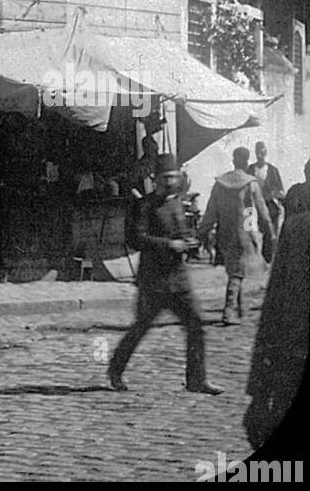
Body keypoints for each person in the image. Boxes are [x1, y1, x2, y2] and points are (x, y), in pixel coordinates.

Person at [108, 155, 222, 395]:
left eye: (174, 176)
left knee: (196, 325)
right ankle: (115, 370)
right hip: (153, 281)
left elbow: (182, 233)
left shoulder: (178, 203)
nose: (171, 181)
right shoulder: (144, 206)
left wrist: (190, 242)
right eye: (166, 177)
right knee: (140, 328)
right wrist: (169, 245)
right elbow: (136, 239)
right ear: (156, 179)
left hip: (179, 279)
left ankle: (197, 380)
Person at [244, 210, 310, 451]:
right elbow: (274, 308)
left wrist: (258, 393)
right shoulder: (297, 229)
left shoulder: (296, 228)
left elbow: (272, 312)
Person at [198, 145, 273, 324]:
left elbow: (211, 211)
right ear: (246, 161)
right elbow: (256, 209)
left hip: (224, 232)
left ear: (233, 160)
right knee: (237, 273)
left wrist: (203, 231)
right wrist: (267, 230)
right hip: (244, 233)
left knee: (235, 269)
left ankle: (242, 307)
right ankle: (229, 310)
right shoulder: (250, 183)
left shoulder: (220, 184)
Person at [246, 141, 285, 262]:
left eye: (262, 152)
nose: (260, 154)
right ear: (255, 153)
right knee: (250, 230)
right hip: (253, 205)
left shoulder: (272, 170)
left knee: (270, 232)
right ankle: (252, 258)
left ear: (266, 152)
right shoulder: (251, 169)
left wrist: (274, 195)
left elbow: (280, 189)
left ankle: (267, 259)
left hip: (269, 205)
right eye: (258, 152)